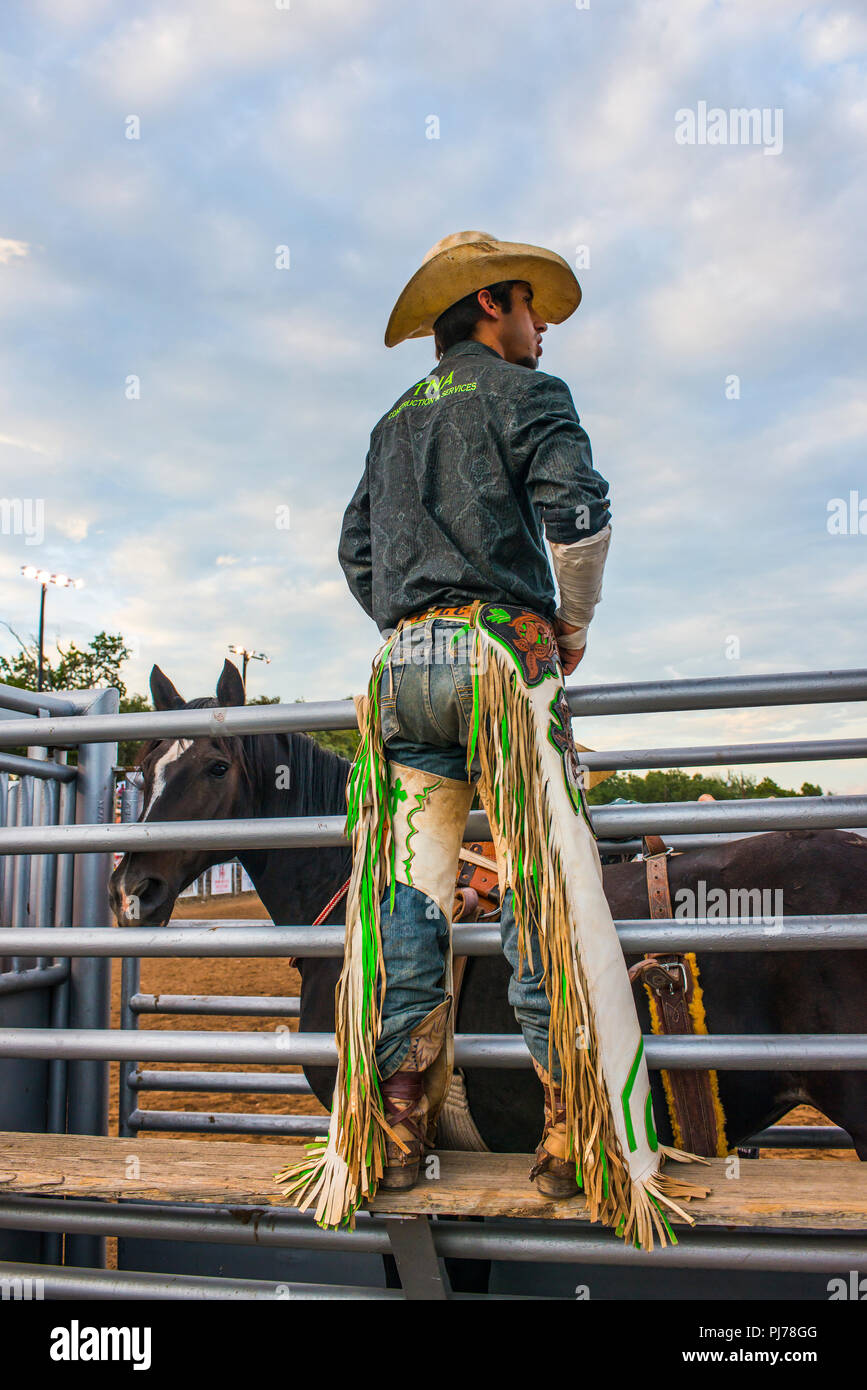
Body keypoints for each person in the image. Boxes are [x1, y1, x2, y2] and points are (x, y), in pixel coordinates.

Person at [276, 232, 708, 1248]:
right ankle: (566, 1131)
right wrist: (574, 622)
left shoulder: (391, 424)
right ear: (488, 304)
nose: (543, 323)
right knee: (540, 886)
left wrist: (407, 614)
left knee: (408, 899)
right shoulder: (532, 401)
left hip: (401, 677)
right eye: (530, 306)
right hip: (502, 665)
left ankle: (394, 1126)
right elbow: (581, 516)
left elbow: (354, 547)